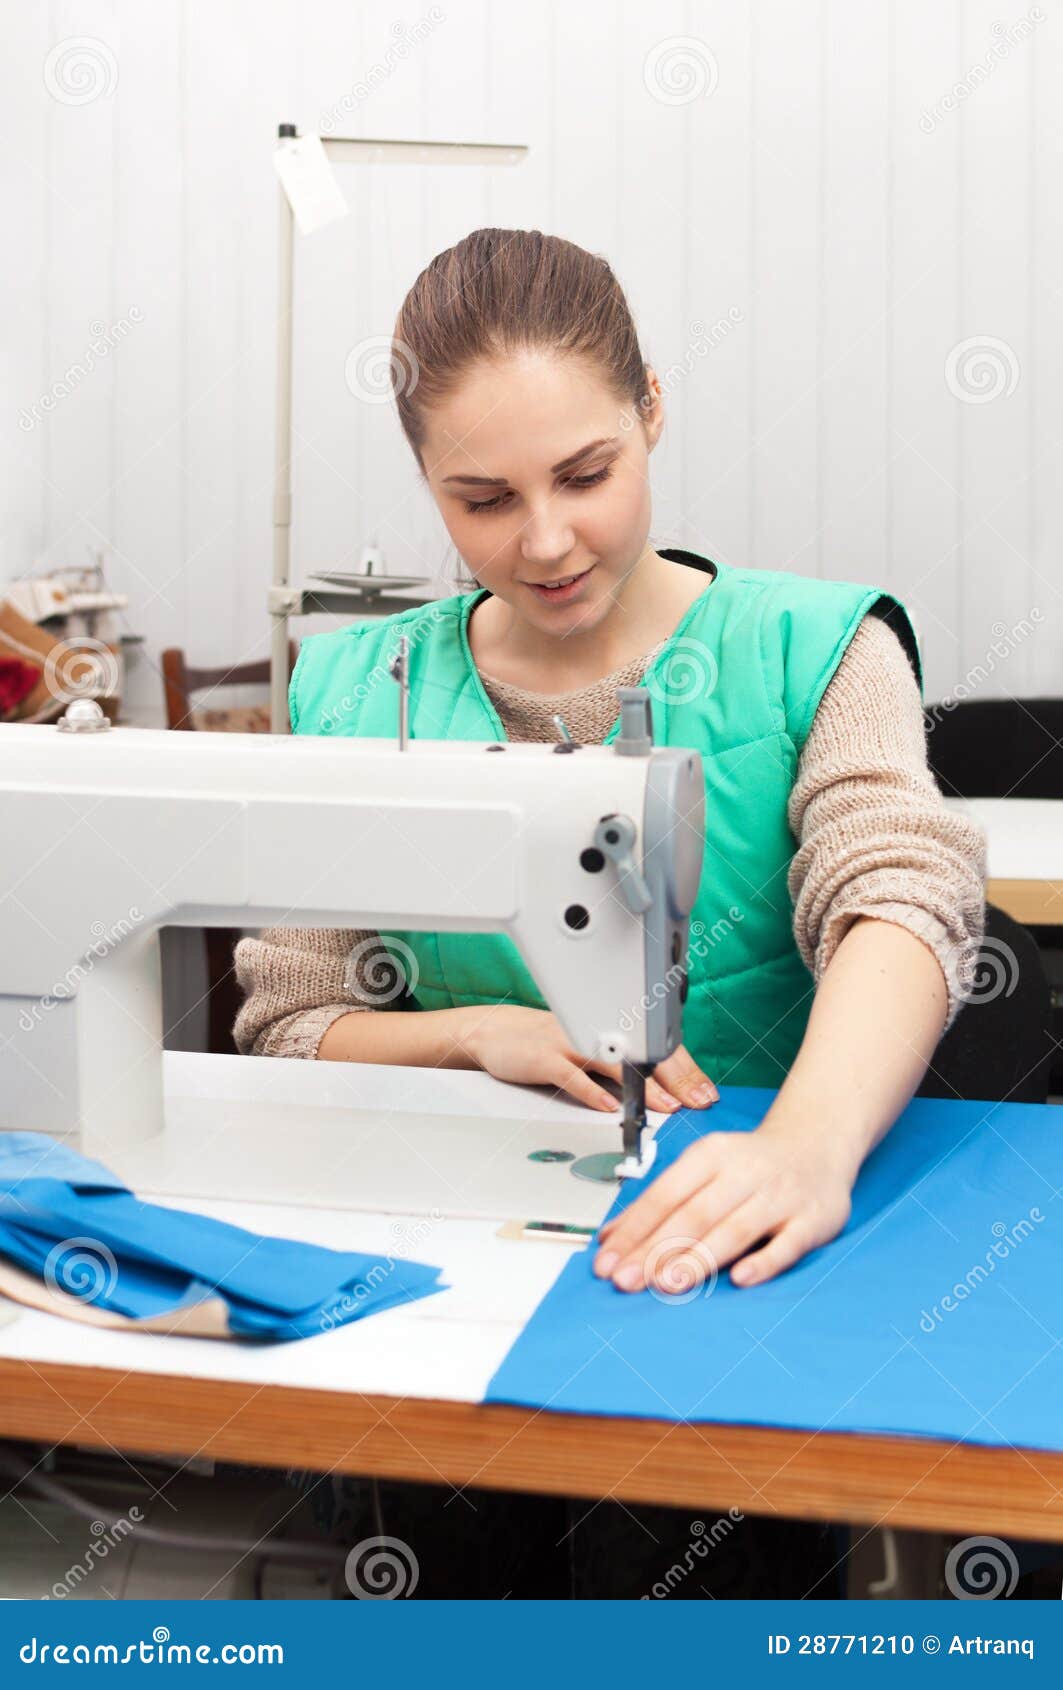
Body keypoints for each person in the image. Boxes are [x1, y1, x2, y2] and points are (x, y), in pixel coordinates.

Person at [233, 228, 986, 1598]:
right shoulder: (354, 691)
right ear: (426, 483)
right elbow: (291, 1021)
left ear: (652, 409)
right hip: (453, 1289)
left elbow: (903, 890)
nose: (544, 540)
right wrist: (471, 1035)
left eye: (586, 475)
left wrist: (805, 1146)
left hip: (740, 1262)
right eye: (482, 499)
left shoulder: (814, 652)